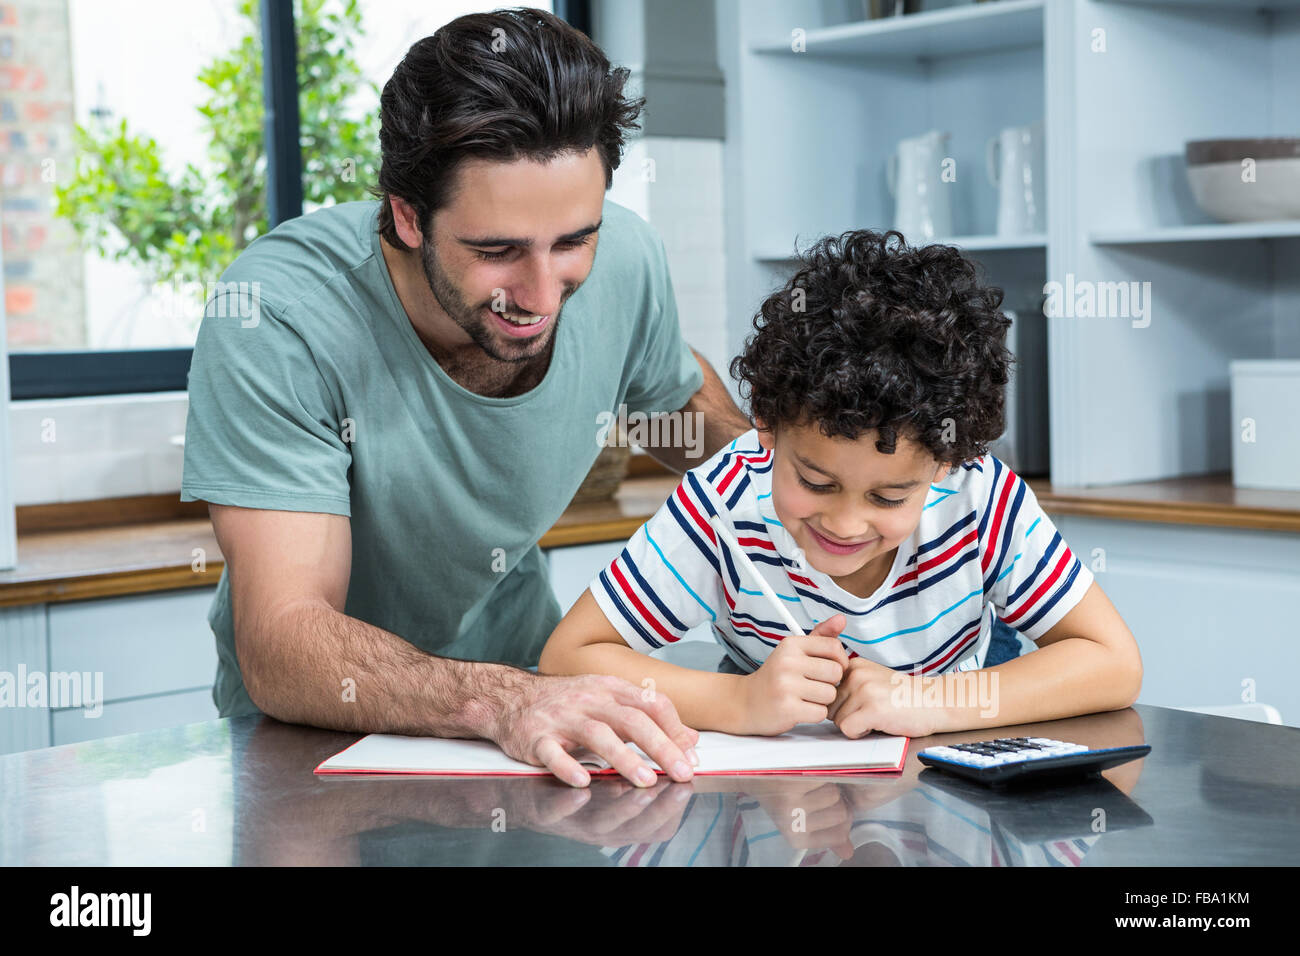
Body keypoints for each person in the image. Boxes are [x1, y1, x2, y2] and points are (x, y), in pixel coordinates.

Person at [180, 7, 751, 789]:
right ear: (408, 216)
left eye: (573, 241)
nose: (543, 294)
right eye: (497, 251)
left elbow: (681, 416)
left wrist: (827, 483)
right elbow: (286, 642)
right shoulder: (279, 312)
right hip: (315, 750)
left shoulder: (625, 260)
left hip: (536, 733)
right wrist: (505, 702)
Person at [540, 230, 1143, 740]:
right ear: (768, 430)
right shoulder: (722, 504)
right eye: (815, 481)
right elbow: (569, 660)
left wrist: (925, 702)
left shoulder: (979, 498)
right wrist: (742, 703)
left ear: (943, 465)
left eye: (889, 497)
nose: (846, 524)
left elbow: (1113, 663)